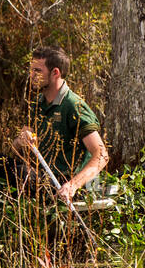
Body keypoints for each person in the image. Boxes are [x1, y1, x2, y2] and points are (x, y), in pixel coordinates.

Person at [12, 45, 110, 202]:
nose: (32, 75)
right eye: (31, 70)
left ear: (55, 73)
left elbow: (102, 155)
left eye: (37, 71)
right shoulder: (38, 103)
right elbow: (15, 146)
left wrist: (73, 185)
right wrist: (21, 140)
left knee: (20, 172)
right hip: (40, 175)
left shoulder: (73, 106)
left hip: (63, 183)